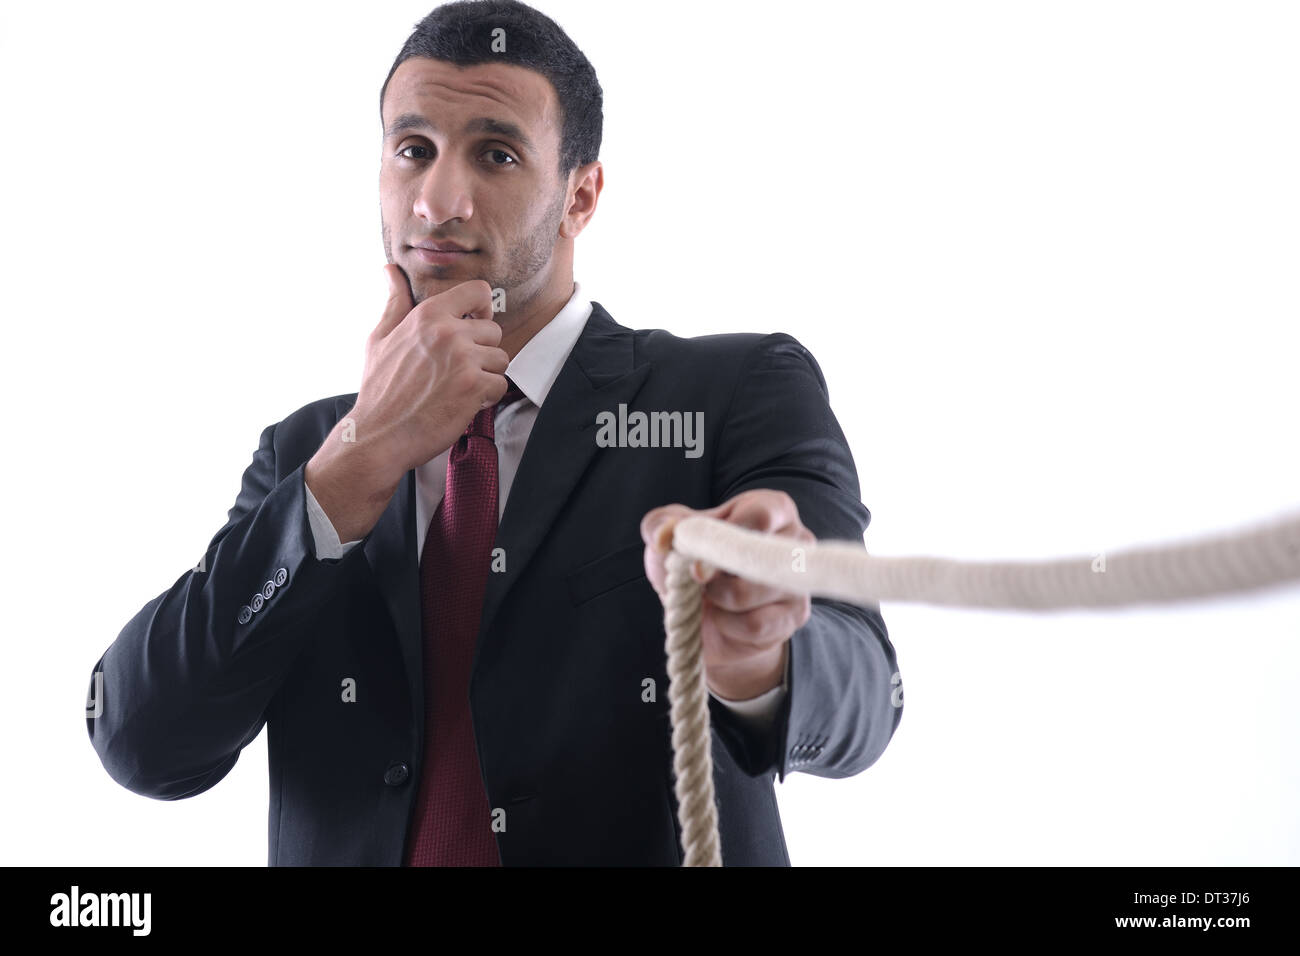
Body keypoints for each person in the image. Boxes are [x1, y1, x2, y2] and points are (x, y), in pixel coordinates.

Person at [85, 0, 903, 866]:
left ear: (579, 195)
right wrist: (361, 456)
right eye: (413, 151)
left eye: (497, 153)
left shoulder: (733, 390)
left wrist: (758, 661)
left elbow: (865, 701)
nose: (438, 202)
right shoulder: (308, 453)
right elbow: (144, 741)